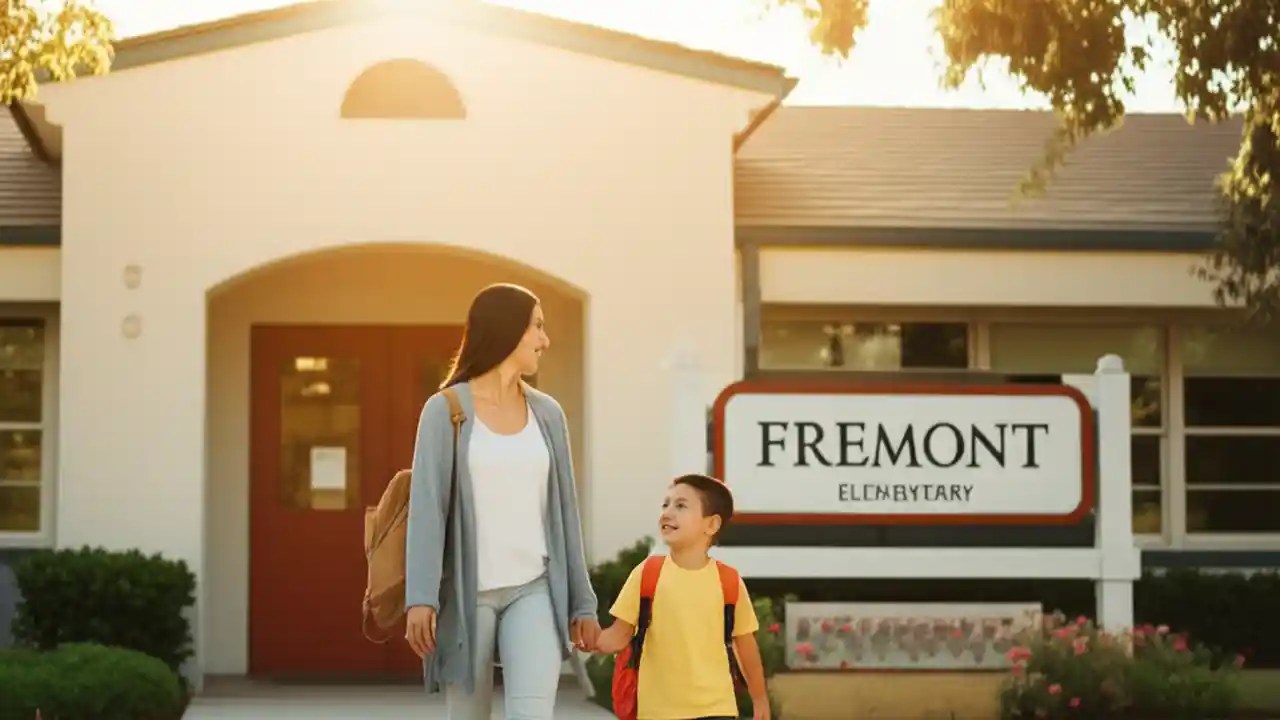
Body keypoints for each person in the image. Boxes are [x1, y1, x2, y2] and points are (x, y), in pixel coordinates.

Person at [403, 282, 600, 720]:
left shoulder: (548, 413)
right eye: (537, 327)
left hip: (535, 588)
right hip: (466, 593)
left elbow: (566, 511)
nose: (545, 340)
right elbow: (428, 509)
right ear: (507, 330)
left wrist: (582, 602)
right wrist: (421, 597)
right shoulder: (446, 410)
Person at [596, 474, 771, 720]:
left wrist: (760, 699)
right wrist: (582, 635)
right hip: (657, 713)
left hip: (716, 710)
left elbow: (746, 646)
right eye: (665, 505)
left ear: (711, 525)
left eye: (680, 506)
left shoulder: (728, 581)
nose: (667, 513)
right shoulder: (648, 573)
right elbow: (617, 636)